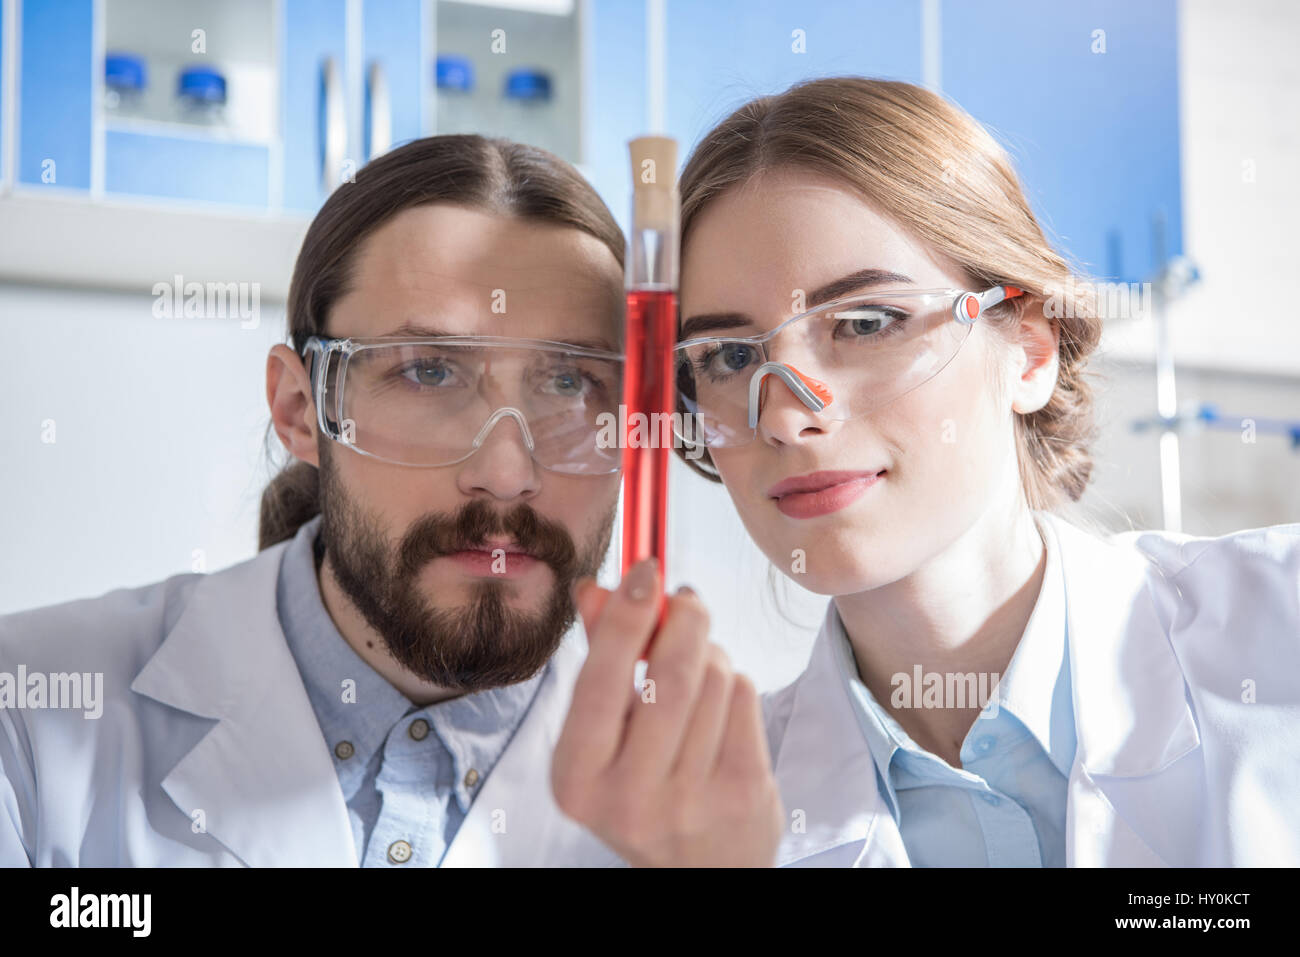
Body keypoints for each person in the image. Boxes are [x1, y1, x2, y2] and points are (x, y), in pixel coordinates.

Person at [0, 134, 767, 868]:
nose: (506, 474)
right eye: (429, 372)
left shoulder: (710, 804)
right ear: (301, 409)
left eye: (570, 382)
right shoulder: (32, 712)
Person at [657, 76, 1297, 867]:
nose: (785, 415)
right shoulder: (692, 827)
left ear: (1028, 350)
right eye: (727, 356)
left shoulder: (1280, 631)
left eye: (865, 322)